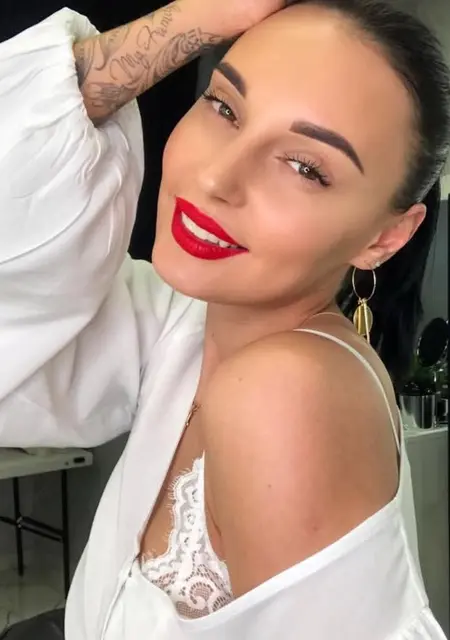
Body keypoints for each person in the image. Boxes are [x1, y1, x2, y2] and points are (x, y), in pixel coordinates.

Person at [0, 0, 449, 638]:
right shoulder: (184, 327)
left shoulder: (284, 391)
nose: (217, 177)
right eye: (224, 107)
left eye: (306, 168)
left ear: (386, 237)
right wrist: (198, 15)